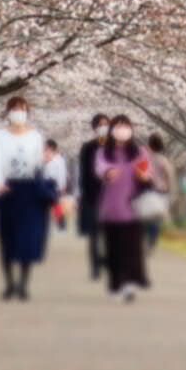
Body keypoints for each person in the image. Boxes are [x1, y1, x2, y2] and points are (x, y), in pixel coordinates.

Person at [0, 96, 54, 301]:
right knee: (7, 237)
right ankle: (9, 283)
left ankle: (23, 284)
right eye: (14, 109)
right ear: (8, 112)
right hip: (7, 190)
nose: (18, 113)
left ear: (27, 112)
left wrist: (44, 160)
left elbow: (37, 163)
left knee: (27, 239)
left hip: (30, 190)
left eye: (22, 109)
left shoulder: (35, 136)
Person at [94, 114, 154, 302]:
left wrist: (144, 176)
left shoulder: (140, 153)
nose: (122, 130)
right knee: (113, 250)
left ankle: (129, 284)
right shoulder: (104, 152)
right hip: (111, 209)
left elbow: (147, 173)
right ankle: (114, 285)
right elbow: (100, 168)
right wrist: (108, 172)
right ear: (112, 130)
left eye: (125, 126)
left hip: (132, 209)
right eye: (118, 126)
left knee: (131, 250)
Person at [77, 113, 110, 280]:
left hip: (112, 197)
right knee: (94, 234)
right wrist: (85, 195)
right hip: (93, 196)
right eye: (100, 124)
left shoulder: (115, 146)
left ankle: (107, 261)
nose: (103, 127)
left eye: (106, 124)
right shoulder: (88, 147)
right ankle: (95, 266)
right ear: (95, 128)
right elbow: (84, 174)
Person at [142, 134, 176, 252]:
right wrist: (171, 190)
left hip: (148, 190)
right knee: (156, 217)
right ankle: (152, 240)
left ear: (149, 145)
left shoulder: (146, 159)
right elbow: (170, 176)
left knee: (146, 216)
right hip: (161, 192)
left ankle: (146, 238)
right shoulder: (163, 160)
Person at [42, 138, 68, 230]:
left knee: (56, 204)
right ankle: (54, 223)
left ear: (51, 148)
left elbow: (62, 174)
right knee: (49, 204)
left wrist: (62, 186)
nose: (45, 149)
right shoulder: (47, 158)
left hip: (55, 185)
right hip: (46, 184)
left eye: (46, 148)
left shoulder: (59, 159)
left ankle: (61, 223)